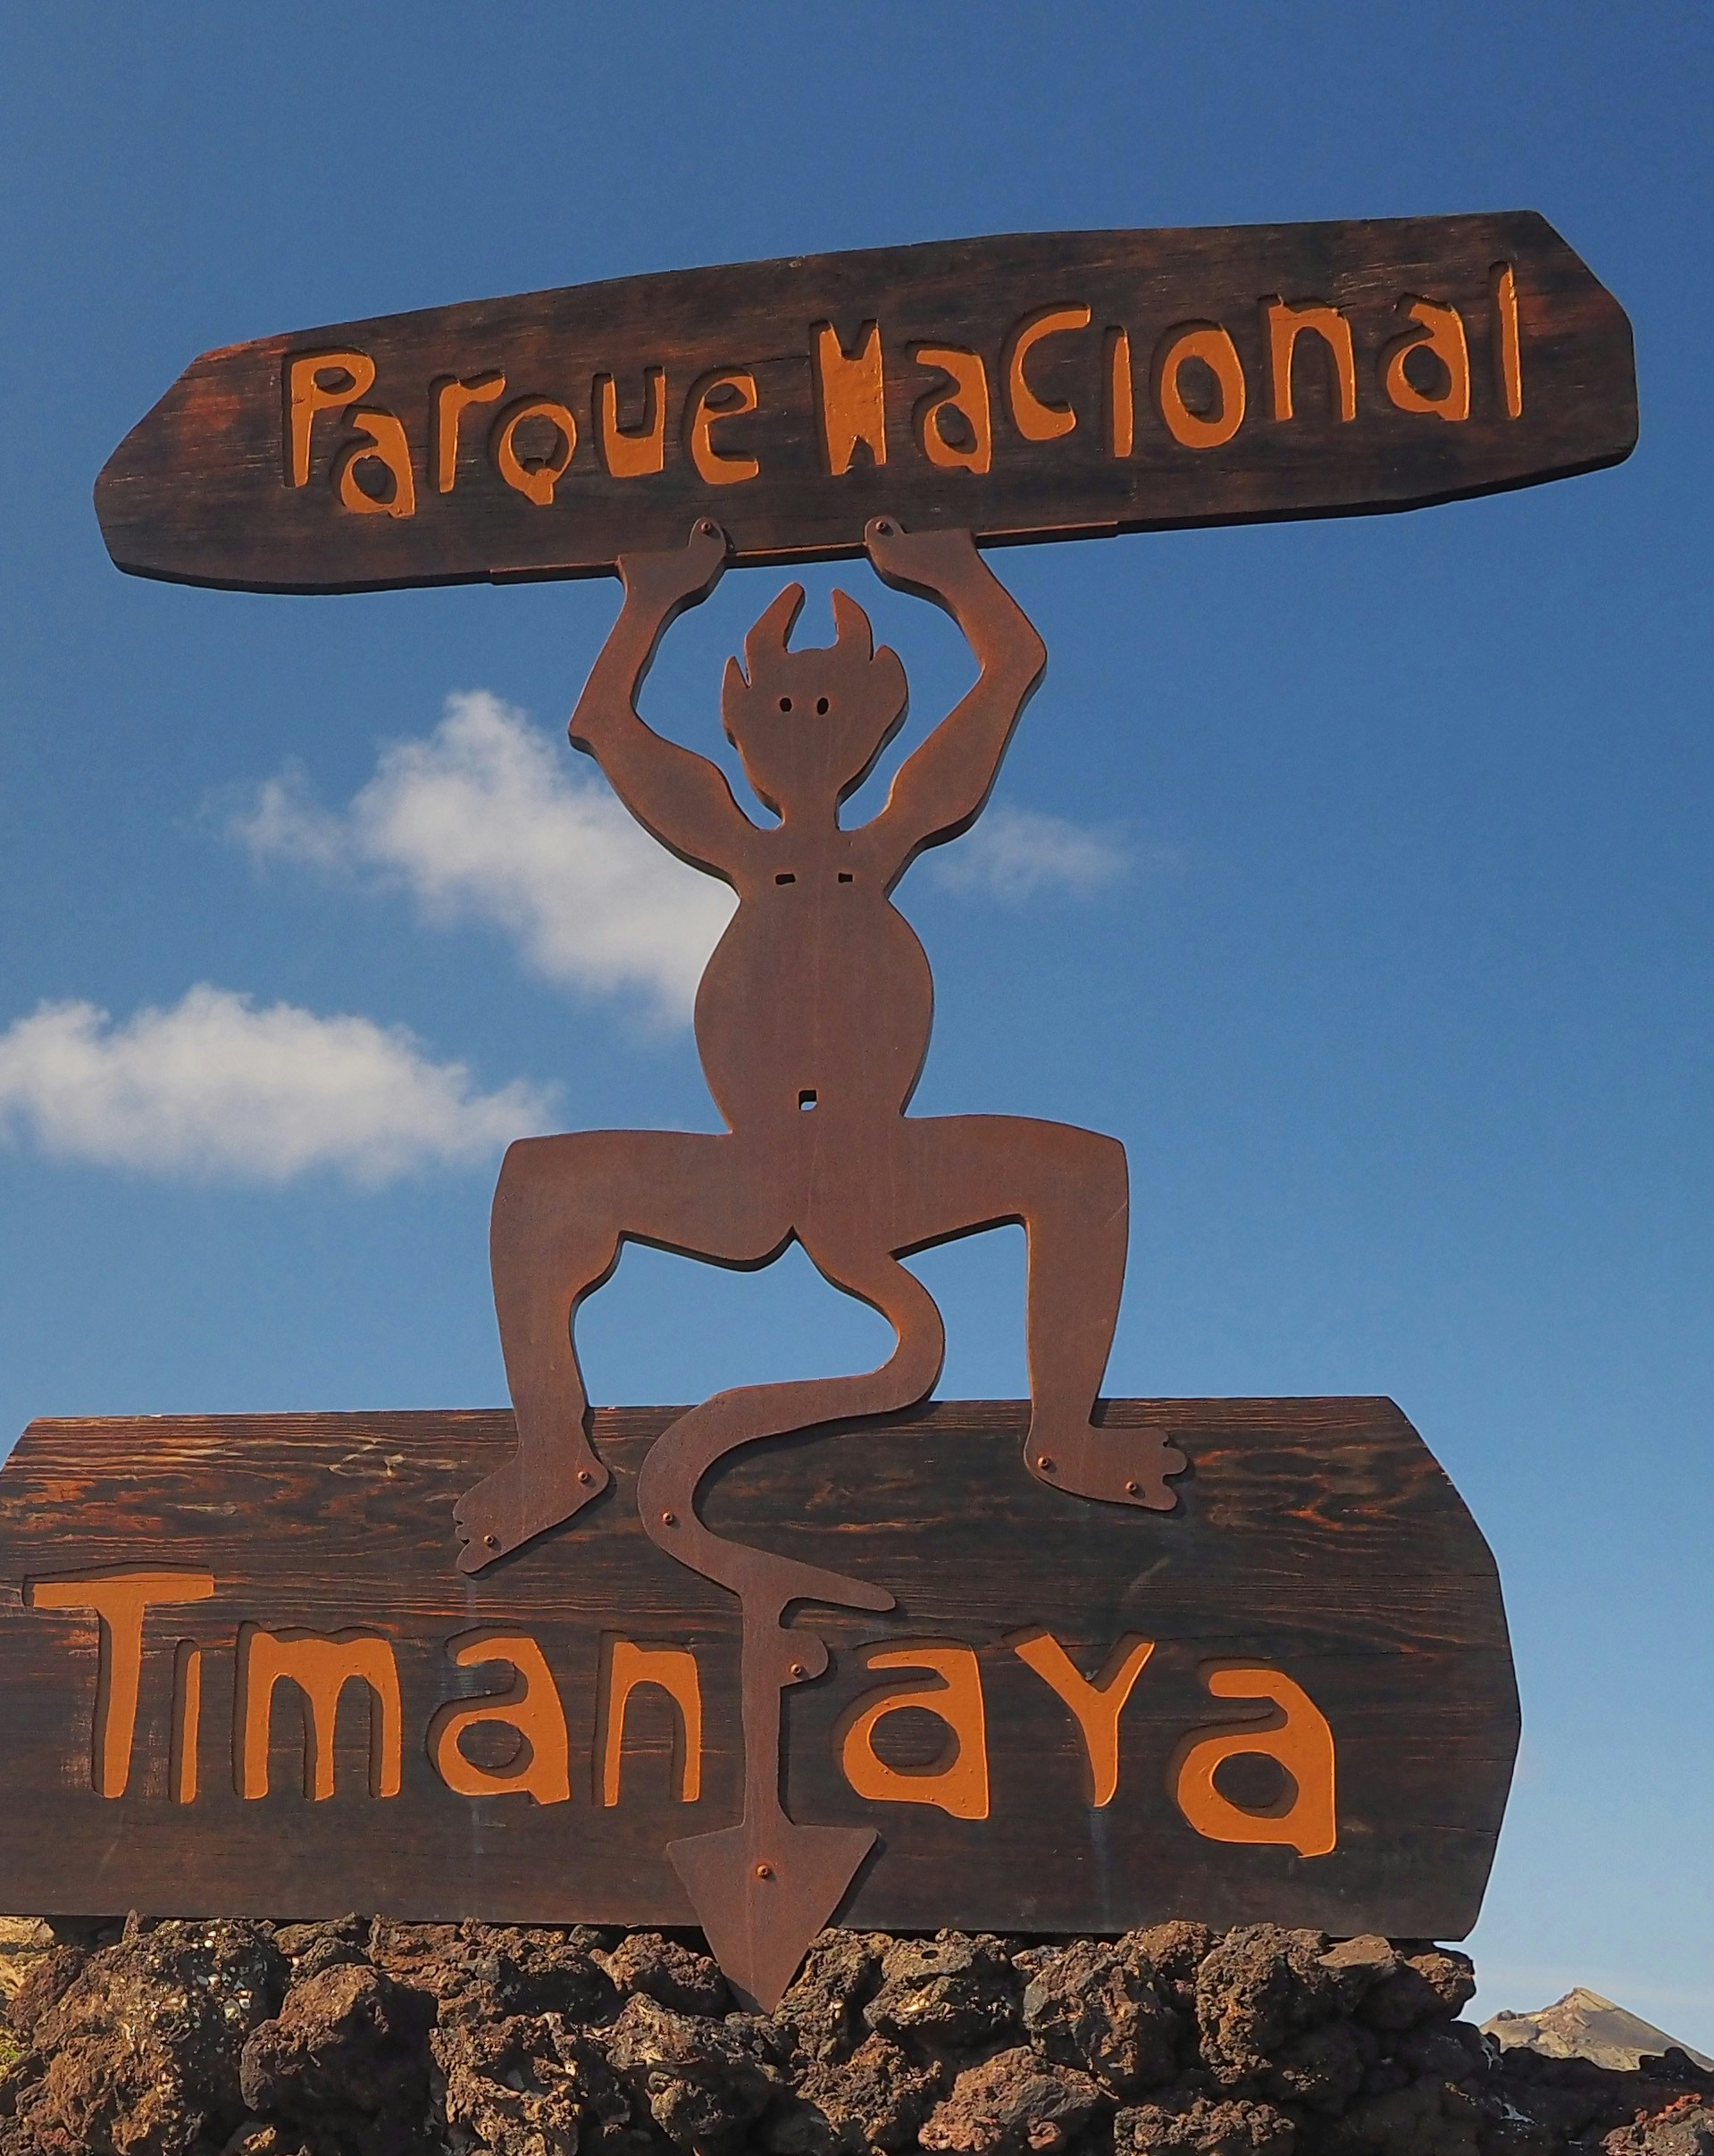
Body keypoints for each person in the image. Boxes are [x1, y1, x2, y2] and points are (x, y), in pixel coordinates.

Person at [453, 512, 1183, 1577]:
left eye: (832, 706)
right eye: (785, 707)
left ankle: (1065, 1434)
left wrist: (951, 572)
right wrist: (651, 598)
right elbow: (605, 722)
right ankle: (552, 1454)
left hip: (881, 1163)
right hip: (745, 1170)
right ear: (742, 733)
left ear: (876, 725)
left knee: (1082, 1174)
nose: (808, 724)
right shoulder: (721, 826)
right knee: (538, 1183)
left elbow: (1012, 664)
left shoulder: (899, 825)